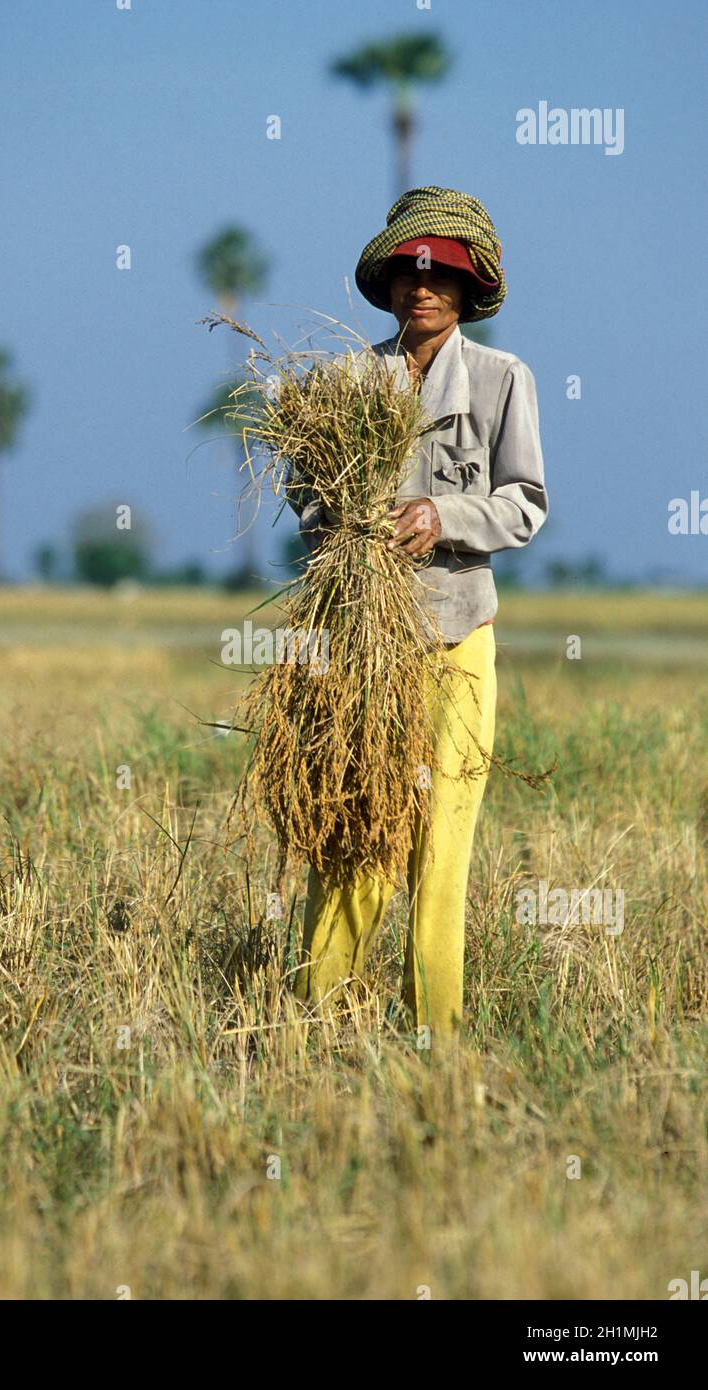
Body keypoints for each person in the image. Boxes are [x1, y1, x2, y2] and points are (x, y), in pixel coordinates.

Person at [290, 186, 548, 1041]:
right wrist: (344, 511)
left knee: (441, 852)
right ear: (390, 282)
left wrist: (445, 517)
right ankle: (318, 1026)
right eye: (407, 271)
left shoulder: (504, 380)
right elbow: (303, 496)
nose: (422, 286)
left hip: (459, 637)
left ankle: (435, 1042)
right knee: (355, 834)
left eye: (440, 275)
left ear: (469, 290)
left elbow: (524, 504)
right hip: (358, 646)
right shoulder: (345, 380)